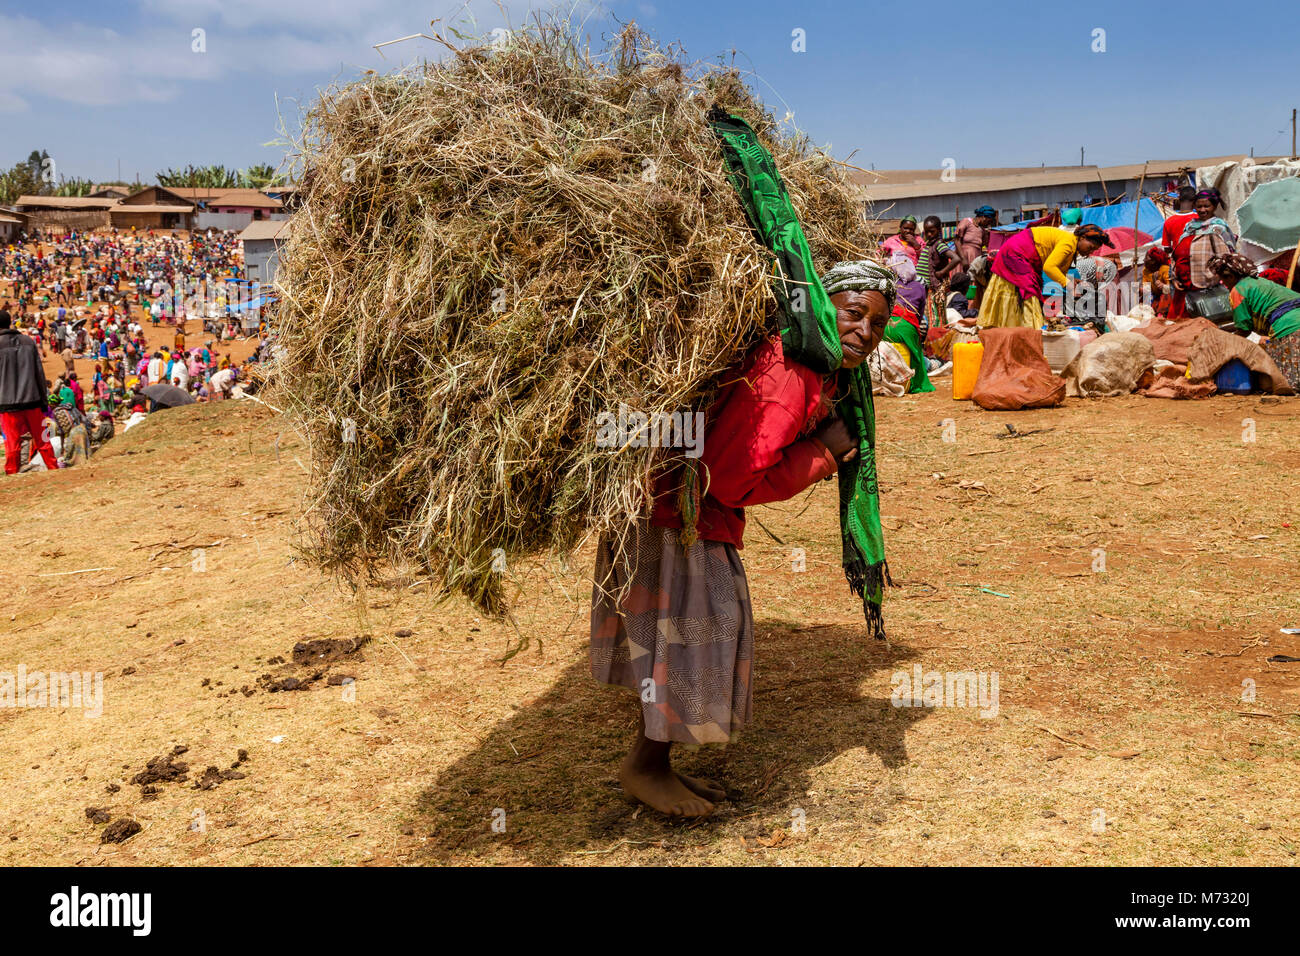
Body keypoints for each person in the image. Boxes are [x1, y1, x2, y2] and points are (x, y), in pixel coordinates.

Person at [590, 260, 894, 818]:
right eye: (854, 314)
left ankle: (652, 762)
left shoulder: (797, 359)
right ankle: (647, 767)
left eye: (878, 324)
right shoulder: (790, 376)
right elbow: (731, 479)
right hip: (681, 519)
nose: (866, 333)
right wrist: (823, 454)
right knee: (694, 640)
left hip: (660, 507)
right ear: (822, 309)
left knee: (673, 643)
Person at [978, 224, 1109, 329]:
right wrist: (1068, 285)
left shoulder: (1071, 246)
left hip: (1020, 254)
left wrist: (1072, 281)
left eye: (1093, 250)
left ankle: (1015, 326)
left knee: (1028, 291)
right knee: (1029, 291)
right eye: (1090, 247)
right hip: (1017, 253)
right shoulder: (1069, 243)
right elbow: (1049, 267)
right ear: (1082, 237)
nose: (1089, 252)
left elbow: (1058, 271)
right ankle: (1029, 330)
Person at [1209, 252, 1300, 389]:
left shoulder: (1238, 290)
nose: (1224, 284)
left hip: (1287, 326)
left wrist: (1225, 343)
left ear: (1231, 276)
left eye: (1223, 279)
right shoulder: (1260, 281)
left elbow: (1244, 329)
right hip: (1294, 318)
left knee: (1285, 381)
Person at [0, 309, 59, 474]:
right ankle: (54, 469)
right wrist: (43, 399)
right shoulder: (28, 341)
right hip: (32, 399)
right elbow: (39, 372)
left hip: (7, 404)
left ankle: (12, 473)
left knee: (12, 444)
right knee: (43, 440)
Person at [1171, 187, 1236, 320]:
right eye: (1198, 206)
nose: (1202, 210)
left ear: (1214, 206)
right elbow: (1176, 253)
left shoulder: (1218, 228)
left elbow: (1228, 258)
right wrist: (1174, 277)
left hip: (1207, 291)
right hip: (1183, 291)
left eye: (1206, 206)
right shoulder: (1189, 227)